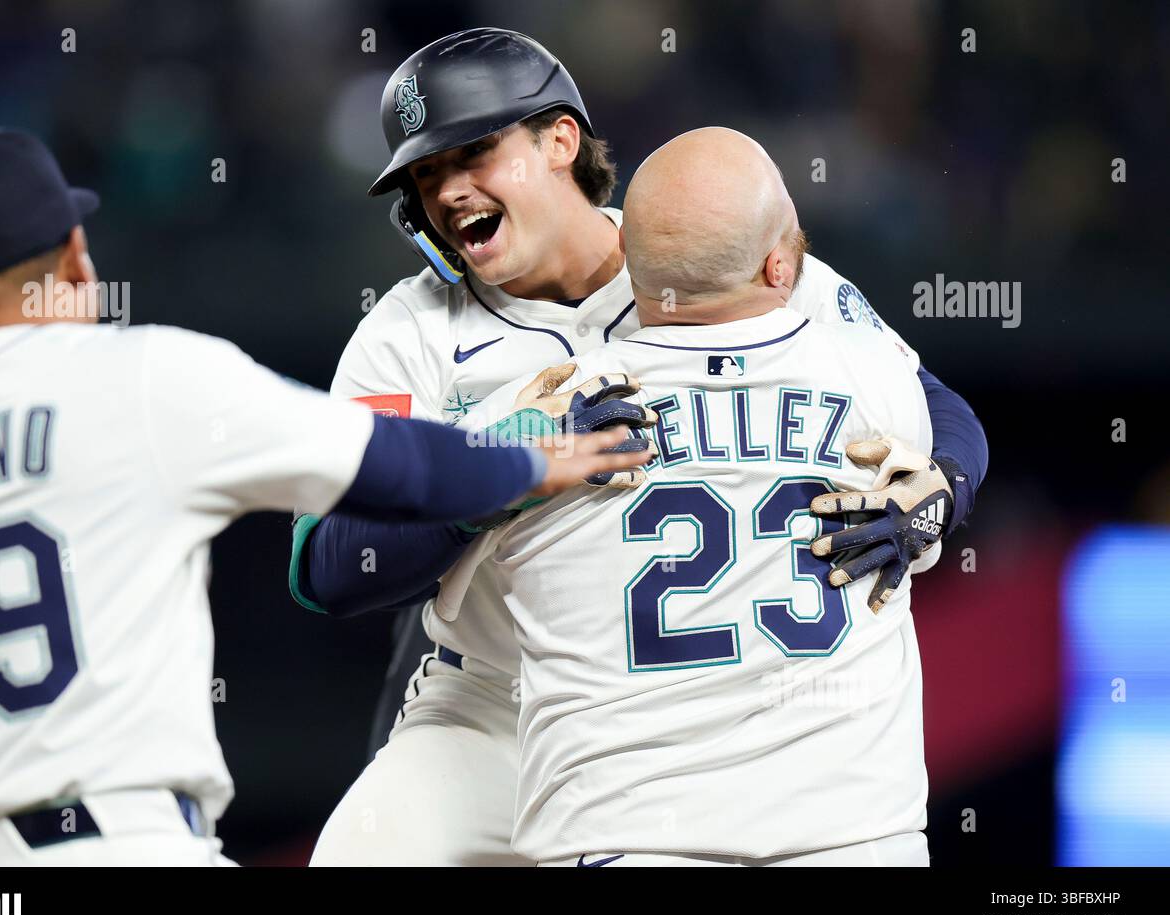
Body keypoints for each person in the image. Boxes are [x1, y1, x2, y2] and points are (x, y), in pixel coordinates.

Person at [298, 28, 986, 866]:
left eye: (473, 150)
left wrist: (939, 493)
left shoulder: (711, 242)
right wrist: (502, 469)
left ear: (559, 139)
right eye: (425, 172)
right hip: (492, 705)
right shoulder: (407, 334)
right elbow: (332, 566)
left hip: (708, 707)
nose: (448, 188)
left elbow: (930, 403)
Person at [0, 127, 649, 867]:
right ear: (78, 261)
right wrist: (522, 453)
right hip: (120, 841)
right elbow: (392, 465)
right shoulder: (143, 379)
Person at [483, 127, 943, 865]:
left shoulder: (538, 414)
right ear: (781, 264)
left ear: (627, 261)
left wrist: (493, 466)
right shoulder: (877, 384)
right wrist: (940, 492)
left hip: (618, 837)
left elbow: (352, 551)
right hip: (853, 840)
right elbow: (954, 427)